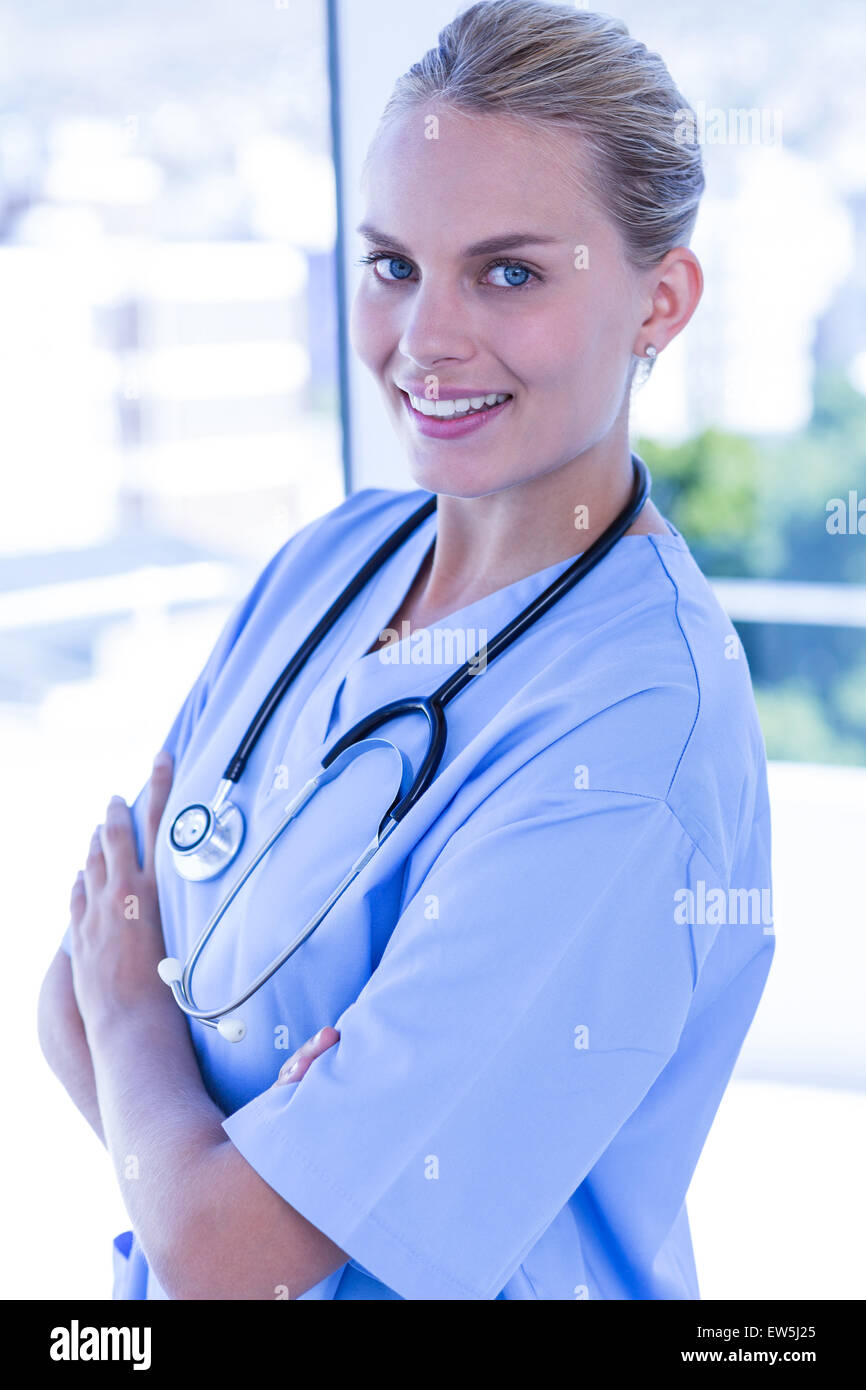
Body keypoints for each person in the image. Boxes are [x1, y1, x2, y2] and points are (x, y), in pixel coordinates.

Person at [37, 0, 774, 1300]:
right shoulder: (324, 567)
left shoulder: (628, 736)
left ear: (661, 300)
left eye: (509, 272)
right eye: (391, 265)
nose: (425, 339)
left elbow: (226, 1252)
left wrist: (141, 1024)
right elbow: (64, 992)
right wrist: (228, 1152)